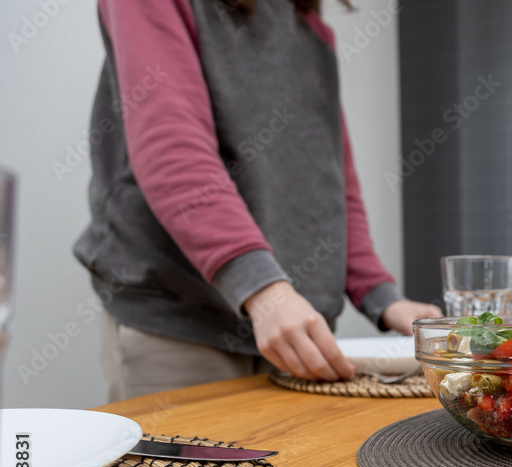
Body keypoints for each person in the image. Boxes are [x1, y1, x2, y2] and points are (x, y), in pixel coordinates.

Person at [73, 0, 441, 401]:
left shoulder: (308, 28)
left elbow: (331, 182)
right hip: (182, 319)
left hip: (291, 330)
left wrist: (383, 297)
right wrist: (265, 291)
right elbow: (174, 151)